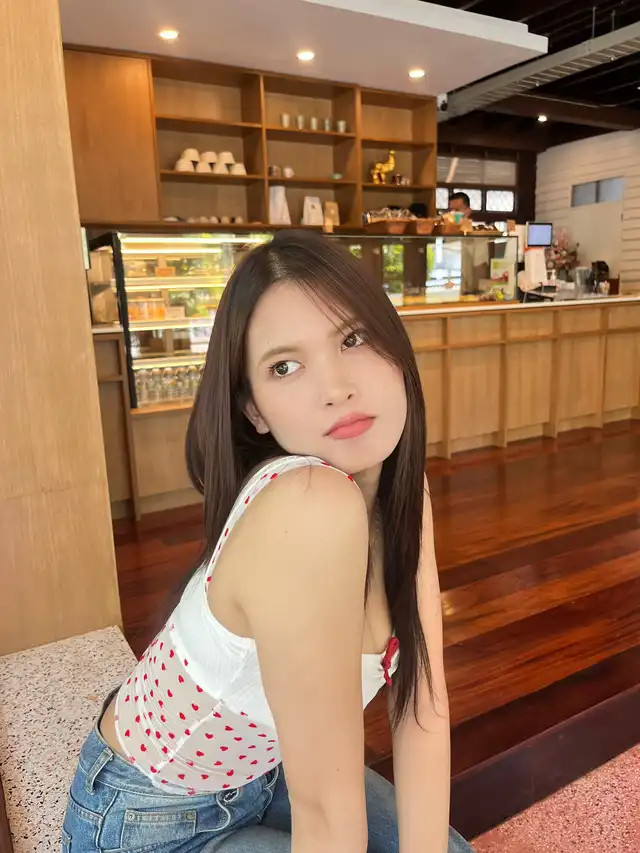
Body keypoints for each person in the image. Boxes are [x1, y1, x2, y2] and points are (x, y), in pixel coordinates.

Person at [61, 231, 474, 853]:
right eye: (285, 366)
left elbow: (422, 704)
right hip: (147, 818)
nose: (336, 386)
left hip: (265, 776)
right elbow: (325, 813)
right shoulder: (307, 506)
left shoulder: (402, 490)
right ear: (255, 410)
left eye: (354, 338)